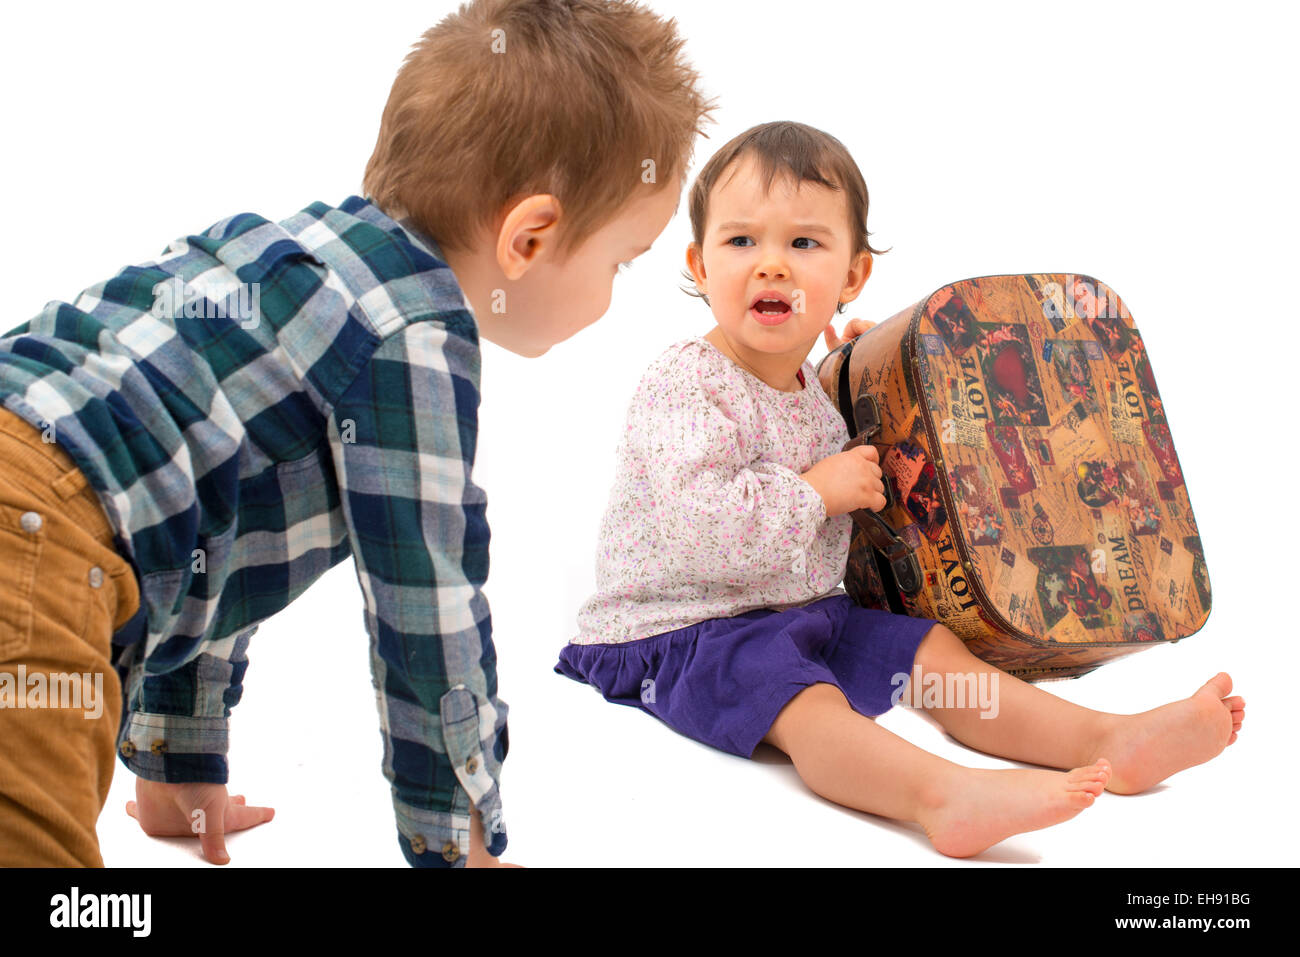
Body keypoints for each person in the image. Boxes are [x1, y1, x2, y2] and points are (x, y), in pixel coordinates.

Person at [0, 0, 714, 868]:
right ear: (529, 237)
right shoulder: (410, 338)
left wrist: (175, 768)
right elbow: (425, 613)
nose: (614, 290)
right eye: (620, 262)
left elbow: (212, 524)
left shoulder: (282, 251)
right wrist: (458, 842)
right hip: (37, 541)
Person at [556, 121, 1244, 858]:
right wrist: (818, 491)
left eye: (805, 244)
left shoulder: (805, 386)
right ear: (698, 262)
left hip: (805, 609)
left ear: (851, 276)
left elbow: (820, 430)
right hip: (686, 630)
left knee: (935, 656)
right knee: (807, 703)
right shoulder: (685, 382)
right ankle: (940, 795)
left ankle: (1105, 740)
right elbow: (705, 527)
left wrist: (852, 363)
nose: (771, 267)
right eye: (741, 241)